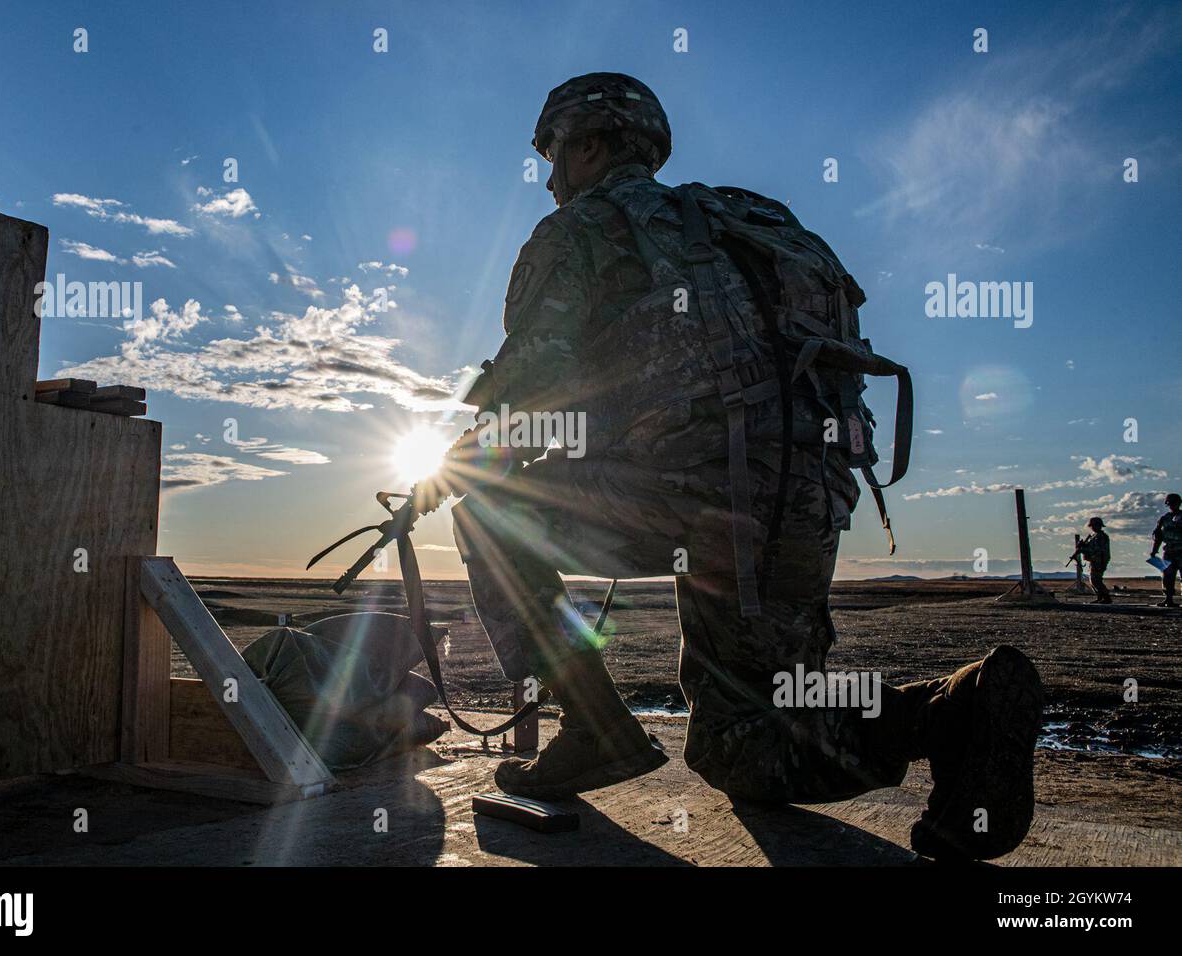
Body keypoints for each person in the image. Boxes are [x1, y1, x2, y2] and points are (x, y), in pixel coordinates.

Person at [414, 73, 1043, 861]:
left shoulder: (583, 229)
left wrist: (462, 464)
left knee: (487, 516)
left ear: (594, 144)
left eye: (554, 154)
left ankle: (597, 728)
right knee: (746, 738)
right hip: (806, 494)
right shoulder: (745, 222)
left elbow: (538, 377)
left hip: (687, 491)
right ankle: (949, 714)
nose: (548, 179)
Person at [1150, 493, 1182, 608]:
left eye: (1174, 503)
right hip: (1169, 551)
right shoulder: (1164, 519)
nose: (1172, 505)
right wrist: (1154, 551)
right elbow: (1158, 536)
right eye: (1170, 503)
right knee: (1167, 577)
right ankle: (1168, 599)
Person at [1077, 517, 1112, 604]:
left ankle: (1106, 597)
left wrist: (1083, 549)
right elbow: (1090, 548)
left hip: (1099, 561)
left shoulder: (1100, 537)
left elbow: (1096, 550)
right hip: (1094, 560)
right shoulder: (1094, 536)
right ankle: (1100, 597)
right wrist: (1083, 546)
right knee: (1093, 580)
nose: (1092, 527)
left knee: (1096, 580)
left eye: (1093, 525)